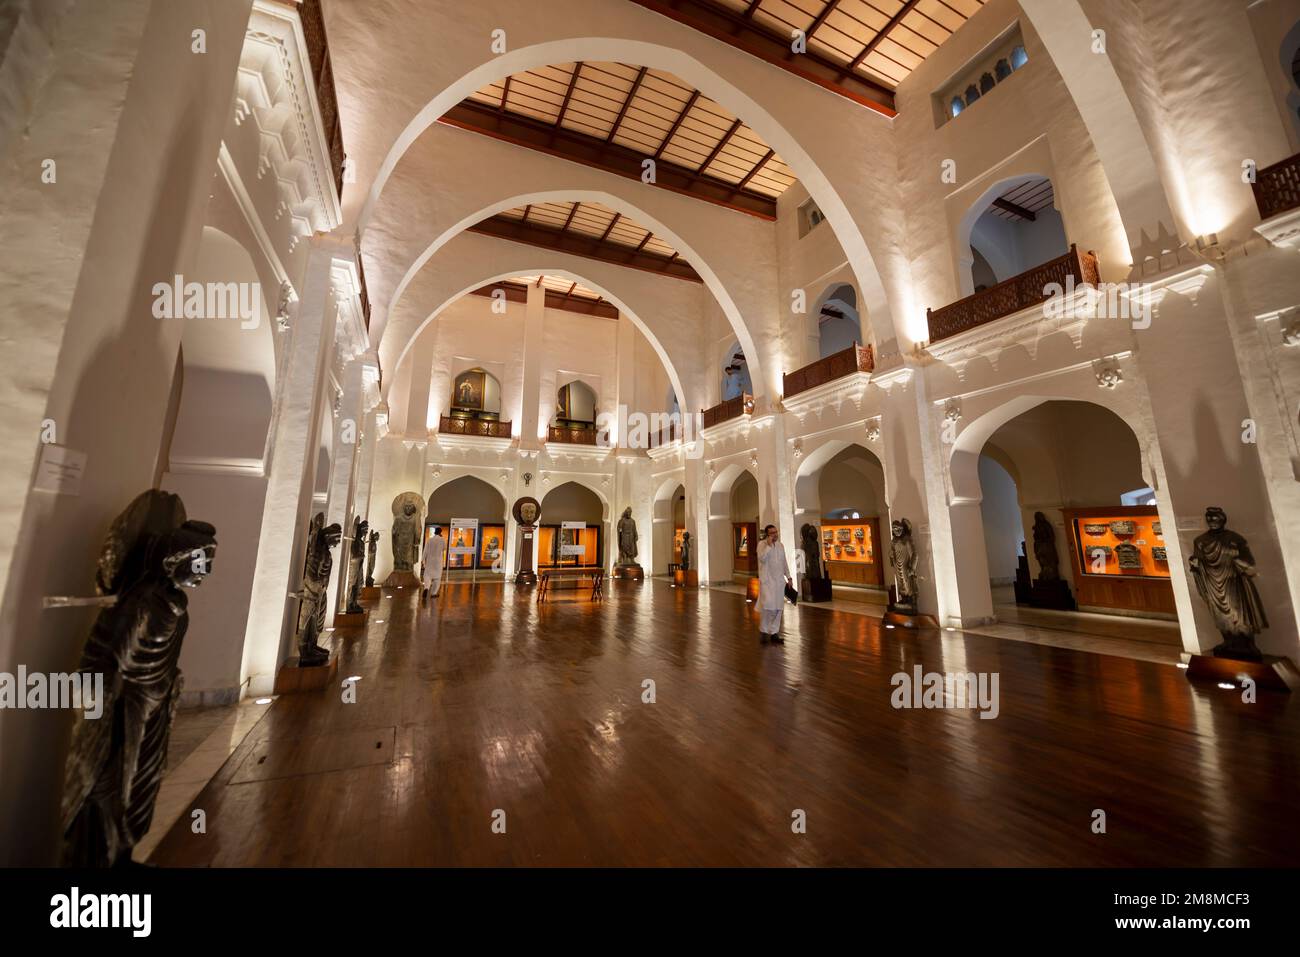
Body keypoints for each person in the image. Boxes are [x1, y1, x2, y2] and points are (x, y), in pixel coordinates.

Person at [756, 524, 792, 644]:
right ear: (767, 535)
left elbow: (784, 562)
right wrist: (769, 545)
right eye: (772, 533)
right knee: (768, 606)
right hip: (767, 581)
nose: (775, 535)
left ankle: (774, 633)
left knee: (778, 608)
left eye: (776, 532)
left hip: (779, 581)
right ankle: (764, 631)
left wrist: (789, 577)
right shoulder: (762, 545)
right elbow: (762, 558)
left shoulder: (781, 545)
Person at [422, 527, 447, 601]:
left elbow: (425, 551)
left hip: (430, 561)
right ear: (440, 532)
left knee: (427, 576)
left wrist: (423, 560)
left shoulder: (429, 540)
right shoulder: (442, 540)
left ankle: (426, 587)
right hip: (438, 562)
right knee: (437, 578)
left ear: (434, 532)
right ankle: (433, 593)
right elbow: (444, 548)